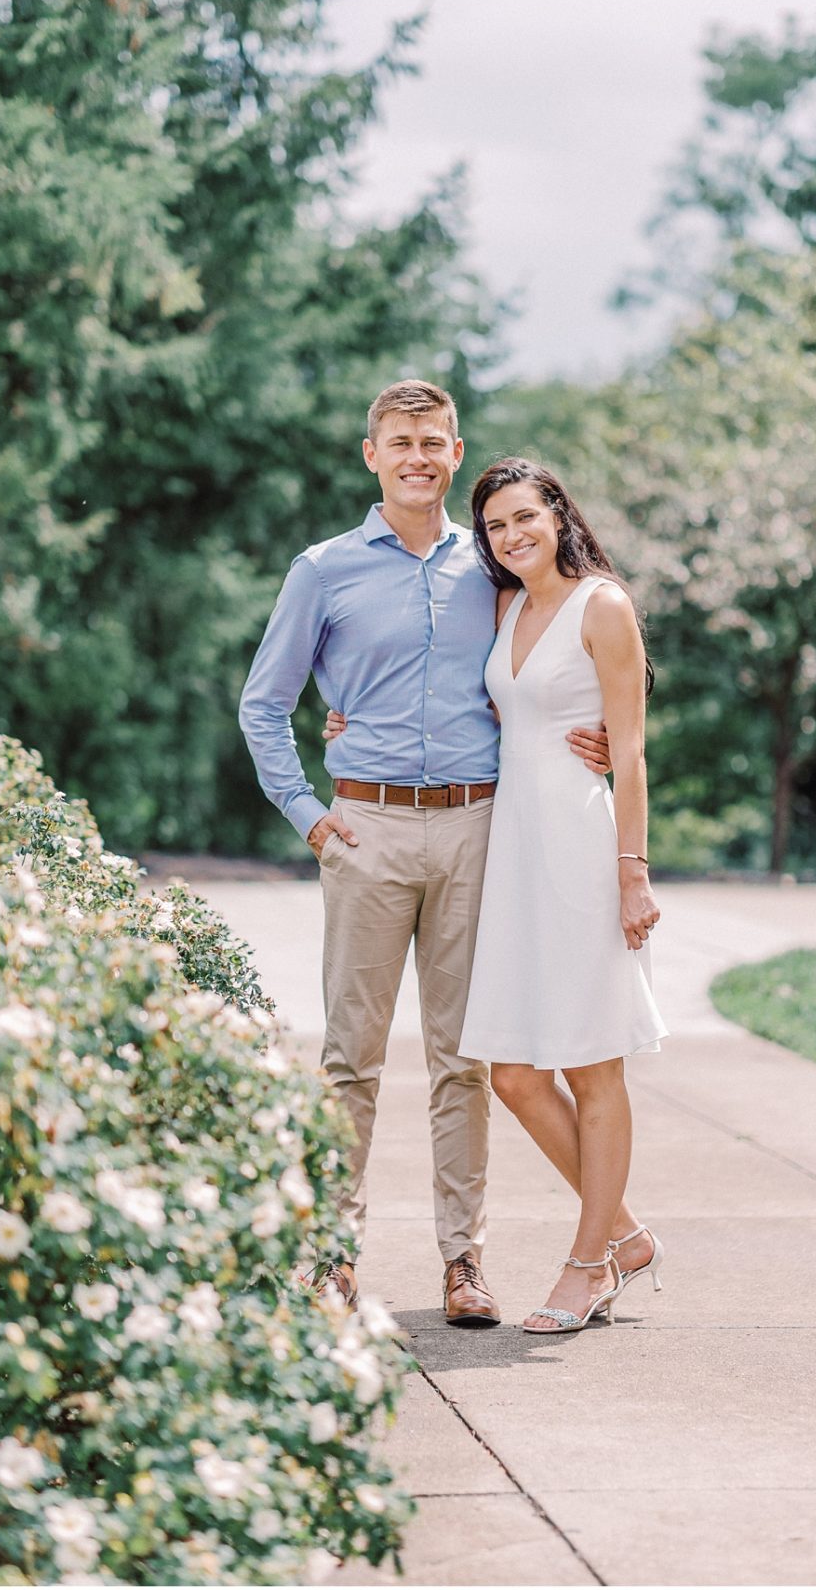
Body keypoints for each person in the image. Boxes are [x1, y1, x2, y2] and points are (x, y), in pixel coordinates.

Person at [238, 381, 612, 1326]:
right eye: (400, 442)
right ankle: (331, 1259)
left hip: (478, 829)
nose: (418, 457)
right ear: (372, 455)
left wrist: (602, 730)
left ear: (455, 452)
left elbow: (575, 641)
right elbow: (264, 703)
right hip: (364, 830)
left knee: (464, 1061)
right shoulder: (323, 570)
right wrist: (306, 813)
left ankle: (464, 1263)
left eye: (433, 442)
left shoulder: (494, 565)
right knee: (350, 1060)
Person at [457, 457, 669, 1334]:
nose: (512, 536)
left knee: (591, 1062)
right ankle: (625, 1234)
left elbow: (632, 750)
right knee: (513, 1073)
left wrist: (632, 872)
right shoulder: (506, 607)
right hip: (514, 851)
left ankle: (588, 1266)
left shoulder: (602, 605)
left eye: (524, 517)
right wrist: (348, 721)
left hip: (582, 849)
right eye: (495, 526)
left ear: (557, 515)